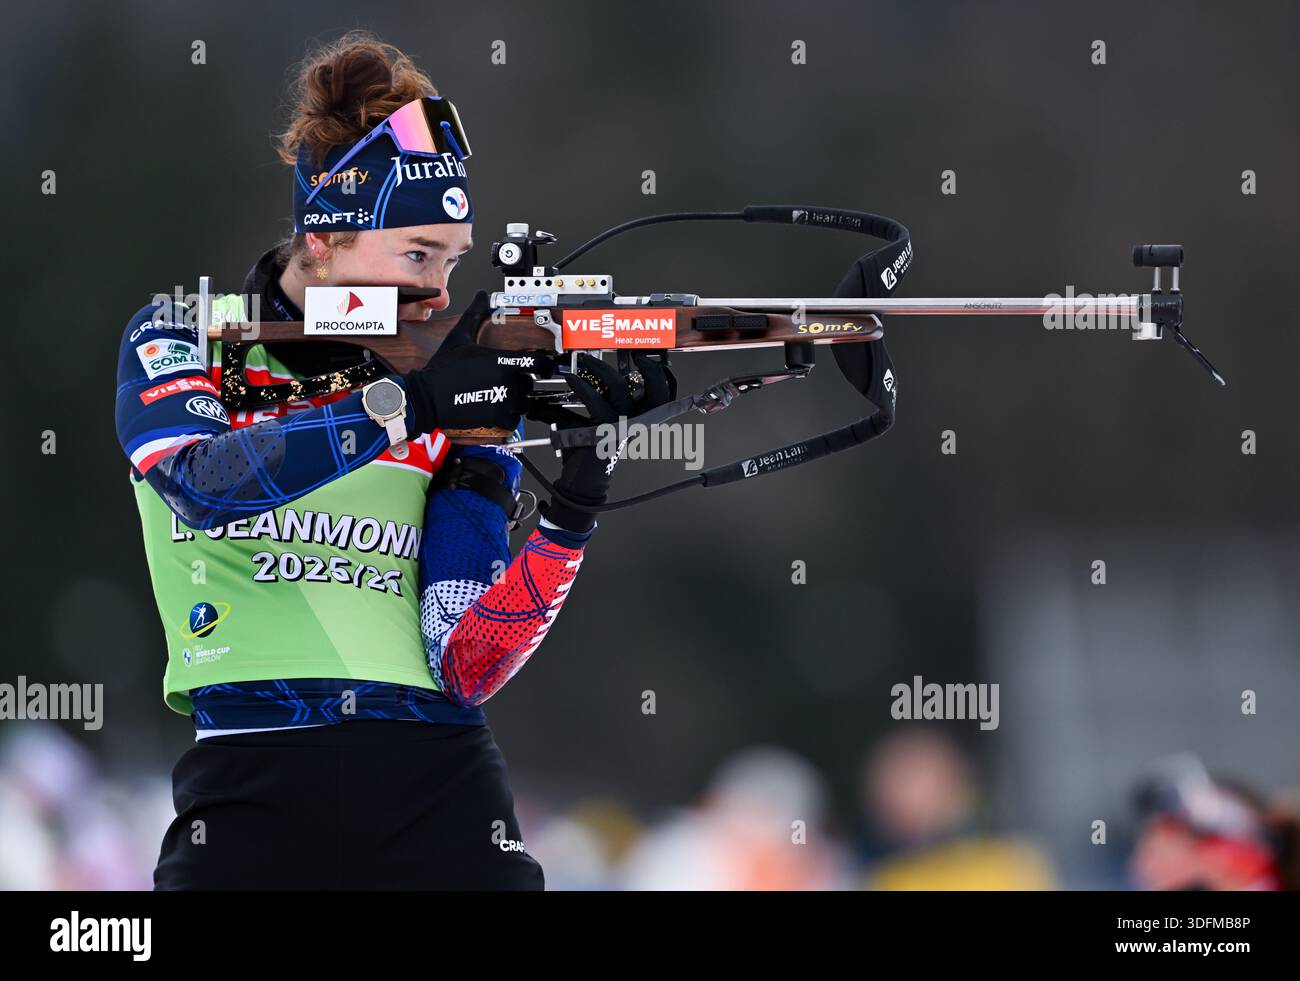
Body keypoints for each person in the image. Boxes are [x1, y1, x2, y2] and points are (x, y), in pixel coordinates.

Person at [114, 32, 673, 889]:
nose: (441, 293)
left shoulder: (444, 380)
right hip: (252, 787)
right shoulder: (190, 335)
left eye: (453, 261)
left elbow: (466, 659)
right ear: (326, 234)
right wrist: (403, 407)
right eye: (417, 254)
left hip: (438, 783)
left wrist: (573, 507)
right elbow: (202, 483)